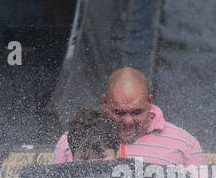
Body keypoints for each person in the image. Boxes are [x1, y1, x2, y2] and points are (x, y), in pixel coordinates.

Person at [53, 67, 204, 168]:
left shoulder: (185, 144)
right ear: (105, 103)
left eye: (136, 112)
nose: (128, 121)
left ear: (149, 102)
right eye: (119, 113)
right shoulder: (73, 139)